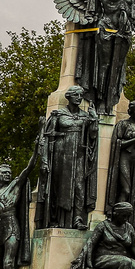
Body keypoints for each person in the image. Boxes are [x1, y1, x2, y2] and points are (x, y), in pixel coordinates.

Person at [36, 86, 98, 229]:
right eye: (76, 95)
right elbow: (46, 138)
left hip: (79, 155)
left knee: (79, 186)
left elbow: (93, 135)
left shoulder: (85, 116)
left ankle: (77, 219)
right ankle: (55, 219)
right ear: (68, 96)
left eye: (81, 95)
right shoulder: (58, 114)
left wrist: (94, 119)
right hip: (61, 154)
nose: (79, 98)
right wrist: (45, 159)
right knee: (59, 186)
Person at [106, 100, 135, 215]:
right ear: (130, 111)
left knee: (133, 192)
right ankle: (117, 214)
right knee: (126, 189)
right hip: (124, 158)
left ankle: (127, 217)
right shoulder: (123, 124)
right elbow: (117, 144)